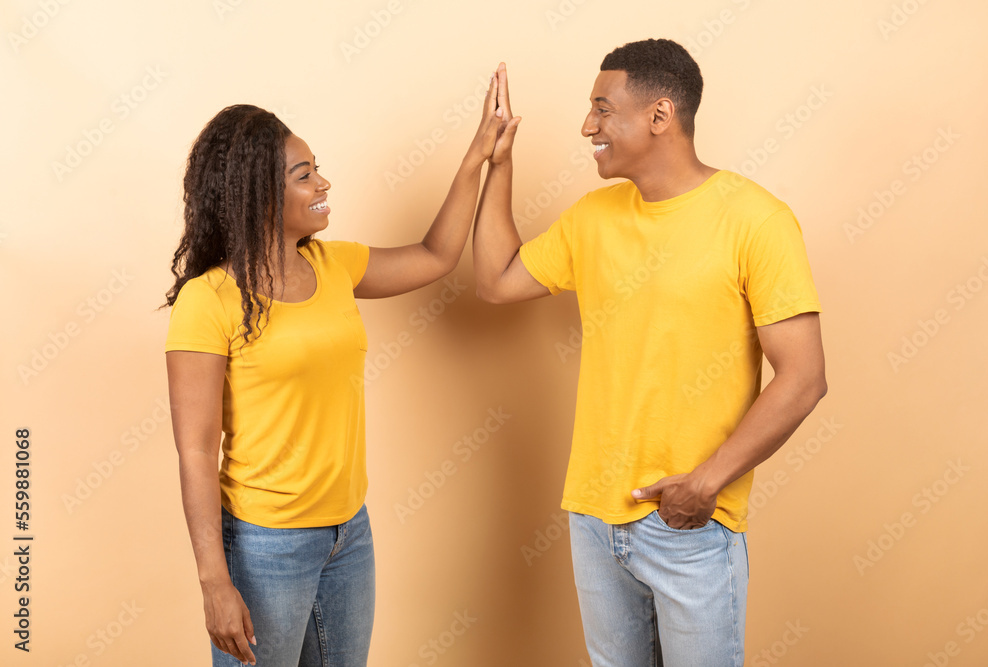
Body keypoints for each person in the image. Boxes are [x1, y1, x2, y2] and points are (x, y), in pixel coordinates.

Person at [474, 41, 827, 666]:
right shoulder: (594, 217)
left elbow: (802, 378)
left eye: (602, 109)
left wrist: (705, 485)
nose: (588, 126)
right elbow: (497, 279)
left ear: (660, 115)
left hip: (688, 523)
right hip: (592, 516)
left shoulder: (757, 220)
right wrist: (498, 163)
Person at [162, 69, 507, 667]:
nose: (323, 182)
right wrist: (214, 582)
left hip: (350, 535)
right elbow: (196, 450)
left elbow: (436, 255)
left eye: (317, 167)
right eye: (304, 174)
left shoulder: (333, 265)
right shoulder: (209, 300)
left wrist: (480, 153)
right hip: (264, 546)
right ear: (257, 193)